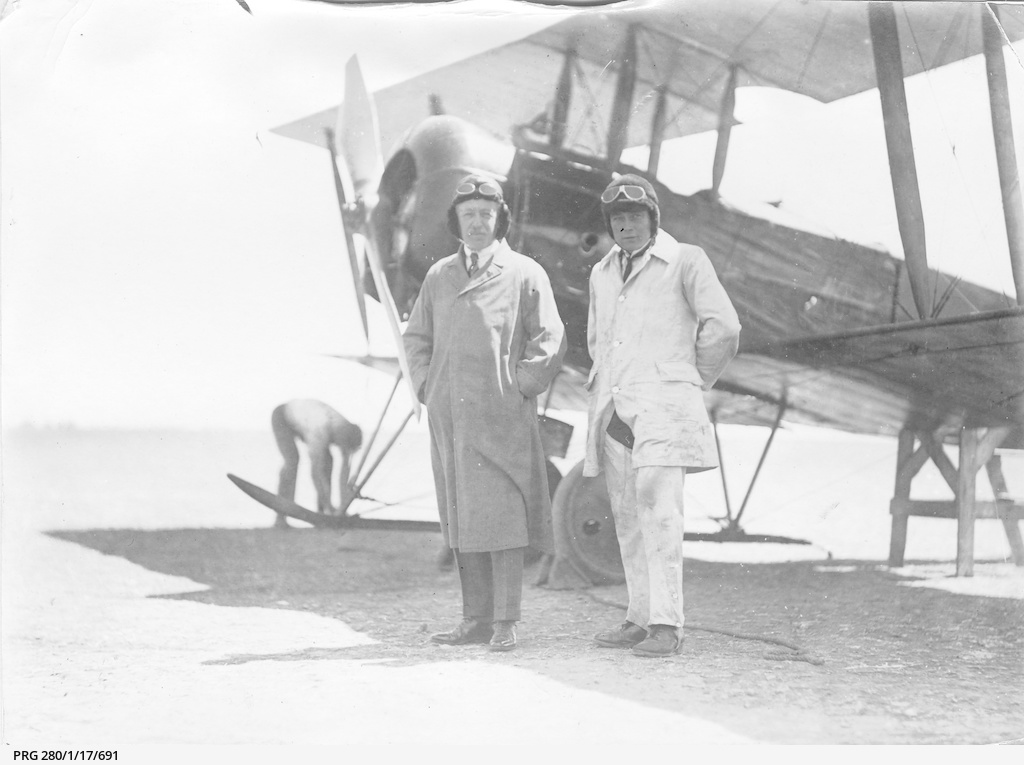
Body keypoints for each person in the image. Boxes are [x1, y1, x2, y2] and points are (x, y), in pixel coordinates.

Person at [403, 173, 566, 652]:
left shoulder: (525, 272)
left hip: (501, 417)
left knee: (504, 517)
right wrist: (426, 387)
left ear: (500, 220)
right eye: (468, 215)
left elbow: (550, 339)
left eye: (486, 215)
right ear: (455, 221)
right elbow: (416, 338)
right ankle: (474, 619)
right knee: (461, 517)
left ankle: (505, 621)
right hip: (450, 419)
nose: (477, 223)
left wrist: (520, 388)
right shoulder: (439, 276)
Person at [585, 174, 740, 657]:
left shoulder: (686, 260)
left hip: (665, 409)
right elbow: (597, 340)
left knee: (660, 511)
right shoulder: (601, 273)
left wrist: (690, 379)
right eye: (618, 218)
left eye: (636, 216)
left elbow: (725, 326)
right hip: (616, 410)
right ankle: (638, 617)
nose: (627, 226)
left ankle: (667, 625)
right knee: (627, 515)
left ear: (653, 218)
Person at [271, 399, 363, 529]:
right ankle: (280, 517)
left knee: (328, 461)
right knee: (292, 461)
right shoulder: (319, 429)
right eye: (342, 447)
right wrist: (329, 505)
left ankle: (322, 512)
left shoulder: (346, 428)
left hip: (306, 419)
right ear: (339, 438)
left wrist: (343, 506)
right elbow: (315, 473)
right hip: (283, 416)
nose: (341, 450)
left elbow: (345, 468)